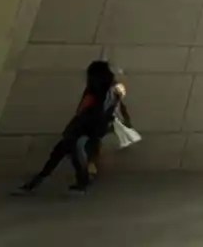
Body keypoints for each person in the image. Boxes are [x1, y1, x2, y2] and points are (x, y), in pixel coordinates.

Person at [15, 61, 119, 195]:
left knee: (64, 154)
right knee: (64, 153)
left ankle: (42, 181)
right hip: (87, 130)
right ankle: (42, 181)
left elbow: (84, 112)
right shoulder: (108, 91)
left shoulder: (96, 92)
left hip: (83, 130)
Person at [87, 74, 133, 178]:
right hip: (100, 121)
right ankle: (92, 166)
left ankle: (92, 166)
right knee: (94, 142)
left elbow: (121, 107)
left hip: (104, 121)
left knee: (95, 142)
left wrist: (127, 121)